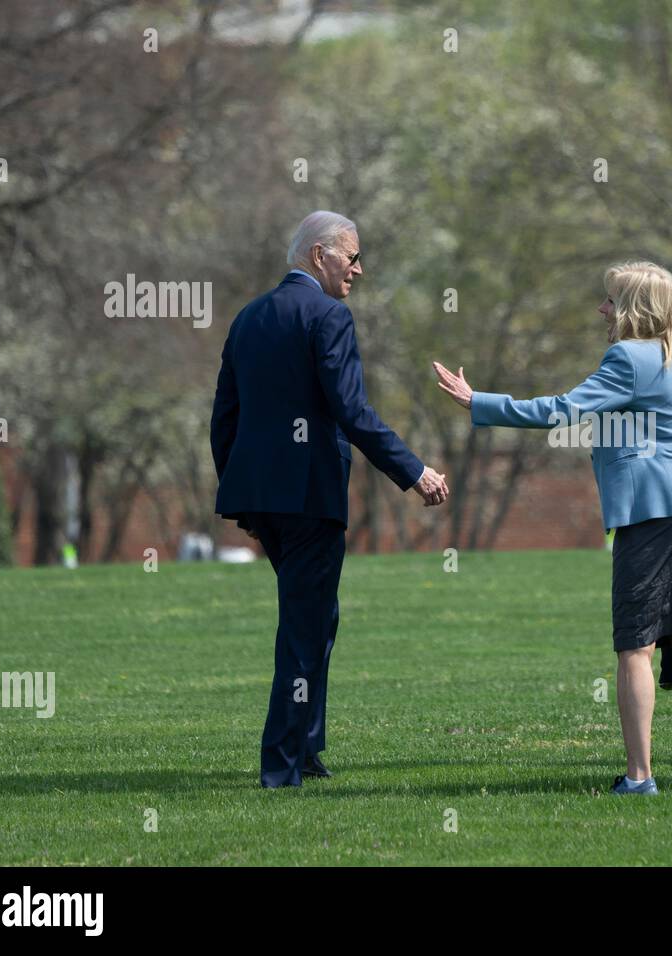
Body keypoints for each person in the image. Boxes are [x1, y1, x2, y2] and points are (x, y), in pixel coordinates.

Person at [433, 260, 672, 795]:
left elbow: (562, 410)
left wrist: (477, 401)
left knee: (636, 646)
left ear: (633, 309)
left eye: (610, 301)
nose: (602, 309)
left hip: (650, 513)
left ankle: (640, 777)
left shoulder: (626, 358)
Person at [210, 210, 449, 789]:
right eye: (352, 256)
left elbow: (225, 419)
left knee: (318, 618)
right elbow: (352, 410)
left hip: (265, 499)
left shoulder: (248, 318)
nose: (359, 269)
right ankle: (281, 766)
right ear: (320, 256)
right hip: (310, 496)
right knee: (303, 625)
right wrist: (413, 471)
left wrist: (243, 498)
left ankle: (308, 748)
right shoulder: (328, 315)